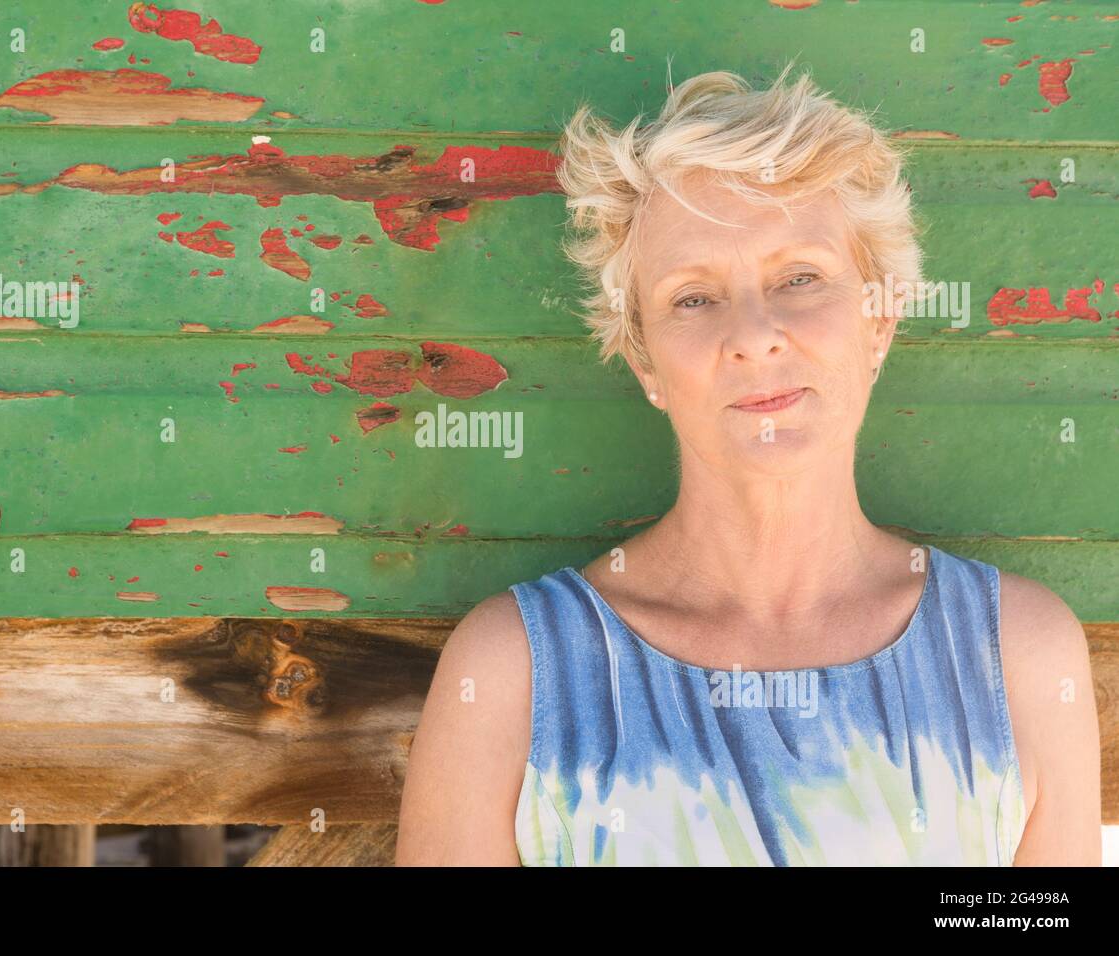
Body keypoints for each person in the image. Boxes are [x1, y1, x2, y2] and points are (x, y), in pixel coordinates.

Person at [395, 63, 1100, 866]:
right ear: (644, 361)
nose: (754, 333)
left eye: (800, 278)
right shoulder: (511, 676)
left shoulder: (1023, 658)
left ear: (879, 320)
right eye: (694, 298)